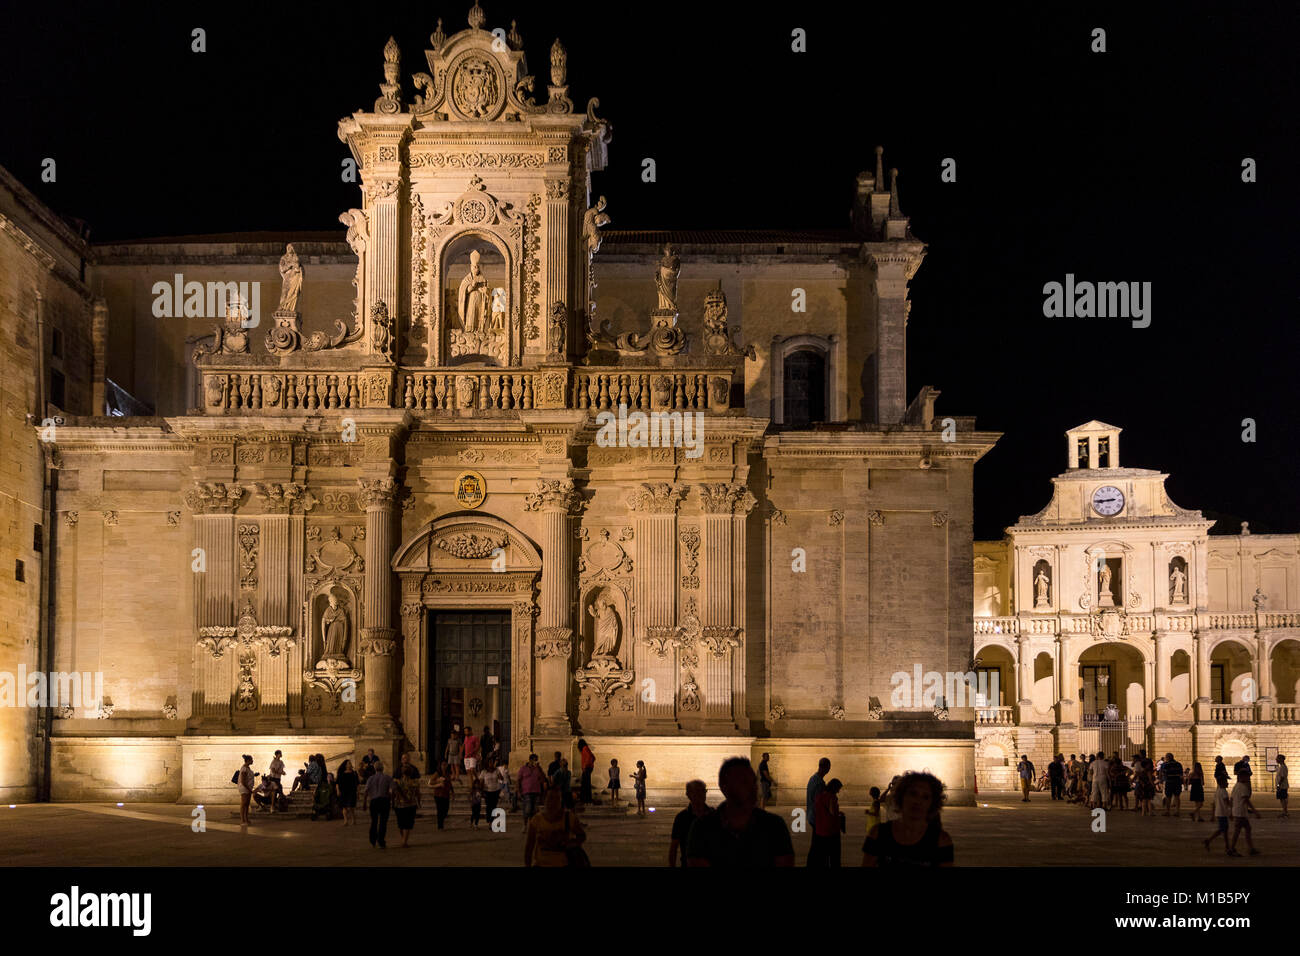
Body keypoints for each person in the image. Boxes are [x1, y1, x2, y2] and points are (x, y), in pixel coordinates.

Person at [686, 757, 794, 867]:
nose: (753, 788)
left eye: (754, 782)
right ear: (724, 787)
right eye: (744, 782)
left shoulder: (775, 825)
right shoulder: (702, 828)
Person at [862, 771, 954, 867]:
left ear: (932, 803)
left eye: (925, 797)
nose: (918, 801)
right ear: (901, 797)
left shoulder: (941, 841)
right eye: (913, 794)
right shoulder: (878, 834)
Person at [524, 785, 587, 867]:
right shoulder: (536, 820)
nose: (553, 802)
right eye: (550, 798)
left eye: (557, 798)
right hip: (541, 864)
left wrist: (569, 843)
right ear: (544, 799)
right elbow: (529, 847)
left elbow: (582, 836)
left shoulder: (569, 818)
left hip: (564, 863)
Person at [669, 780, 712, 867]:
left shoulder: (714, 815)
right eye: (697, 791)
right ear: (688, 795)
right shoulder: (681, 818)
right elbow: (674, 846)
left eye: (703, 791)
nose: (701, 795)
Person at [811, 778, 845, 867]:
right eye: (838, 789)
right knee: (834, 858)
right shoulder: (831, 797)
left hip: (819, 831)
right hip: (831, 831)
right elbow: (832, 813)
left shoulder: (819, 796)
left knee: (823, 858)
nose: (838, 792)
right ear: (834, 788)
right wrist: (840, 816)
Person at [1228, 768, 1261, 857]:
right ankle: (1231, 848)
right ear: (1242, 777)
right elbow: (1247, 800)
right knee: (1238, 831)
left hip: (1237, 811)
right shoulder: (1243, 787)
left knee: (1247, 829)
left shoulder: (1236, 786)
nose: (1248, 779)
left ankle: (1251, 848)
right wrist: (1255, 811)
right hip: (1240, 812)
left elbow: (1231, 799)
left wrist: (1231, 812)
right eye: (1247, 777)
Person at [392, 764, 421, 847]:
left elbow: (394, 793)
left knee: (401, 823)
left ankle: (404, 839)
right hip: (411, 804)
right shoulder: (415, 782)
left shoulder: (397, 782)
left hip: (399, 805)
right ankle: (404, 840)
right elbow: (418, 794)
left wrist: (393, 803)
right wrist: (419, 803)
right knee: (408, 823)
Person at [365, 760, 393, 849]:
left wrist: (364, 802)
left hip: (374, 801)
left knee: (374, 821)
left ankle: (372, 839)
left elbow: (366, 791)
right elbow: (393, 790)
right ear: (383, 768)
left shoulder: (370, 778)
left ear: (374, 768)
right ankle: (381, 841)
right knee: (383, 822)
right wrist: (391, 799)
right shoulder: (387, 778)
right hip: (384, 800)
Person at [805, 757, 831, 846]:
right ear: (826, 768)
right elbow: (819, 802)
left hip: (811, 814)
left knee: (815, 843)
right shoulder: (819, 783)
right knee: (817, 845)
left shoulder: (812, 778)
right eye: (829, 768)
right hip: (817, 817)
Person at [1203, 777, 1231, 854]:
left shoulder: (1217, 792)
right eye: (1226, 781)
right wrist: (1232, 811)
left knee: (1224, 830)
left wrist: (1212, 815)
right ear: (1221, 783)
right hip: (1223, 813)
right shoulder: (1224, 792)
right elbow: (1227, 803)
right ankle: (1208, 840)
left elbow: (1213, 804)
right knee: (1222, 829)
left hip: (1218, 813)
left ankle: (1227, 846)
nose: (1227, 783)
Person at [518, 753, 546, 823]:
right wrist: (518, 790)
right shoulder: (523, 768)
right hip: (526, 791)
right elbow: (519, 780)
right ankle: (525, 823)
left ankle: (531, 824)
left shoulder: (538, 769)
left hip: (536, 791)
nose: (535, 762)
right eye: (534, 760)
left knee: (535, 810)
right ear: (530, 760)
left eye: (536, 760)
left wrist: (540, 769)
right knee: (528, 808)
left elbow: (543, 779)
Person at [480, 758, 505, 823]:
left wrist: (500, 774)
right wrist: (481, 791)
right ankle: (489, 820)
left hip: (496, 791)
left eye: (492, 762)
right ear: (487, 763)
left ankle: (492, 820)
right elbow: (481, 782)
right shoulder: (484, 771)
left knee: (494, 806)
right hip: (487, 791)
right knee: (488, 806)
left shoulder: (496, 770)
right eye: (490, 762)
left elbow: (501, 778)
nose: (491, 764)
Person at [336, 759, 360, 825]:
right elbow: (337, 783)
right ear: (345, 765)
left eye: (350, 763)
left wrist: (358, 792)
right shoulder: (341, 773)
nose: (350, 764)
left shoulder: (354, 773)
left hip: (352, 791)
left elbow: (357, 783)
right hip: (344, 792)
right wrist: (338, 790)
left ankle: (354, 820)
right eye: (348, 763)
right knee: (344, 807)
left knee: (352, 807)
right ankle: (346, 821)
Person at [430, 761, 453, 830]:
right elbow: (431, 781)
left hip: (446, 794)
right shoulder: (437, 773)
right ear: (440, 766)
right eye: (443, 765)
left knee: (446, 809)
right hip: (438, 794)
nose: (444, 766)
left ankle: (441, 820)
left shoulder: (447, 773)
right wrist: (438, 781)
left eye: (445, 765)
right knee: (440, 810)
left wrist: (452, 792)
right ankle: (440, 826)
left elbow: (450, 783)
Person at [310, 754, 332, 821]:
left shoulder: (318, 766)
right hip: (322, 784)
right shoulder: (322, 766)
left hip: (321, 784)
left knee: (319, 796)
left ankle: (317, 810)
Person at [578, 739, 596, 804]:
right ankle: (586, 798)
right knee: (586, 784)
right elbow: (593, 757)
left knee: (585, 784)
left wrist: (585, 765)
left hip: (587, 768)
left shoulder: (584, 748)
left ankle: (585, 799)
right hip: (588, 768)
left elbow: (590, 757)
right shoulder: (586, 748)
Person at [1276, 754, 1289, 819]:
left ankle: (1285, 812)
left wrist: (1278, 785)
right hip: (1281, 785)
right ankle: (1284, 812)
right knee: (1282, 799)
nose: (1276, 759)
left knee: (1283, 799)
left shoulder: (1283, 767)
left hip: (1282, 786)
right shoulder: (1281, 766)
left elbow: (1282, 777)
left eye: (1277, 758)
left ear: (1281, 759)